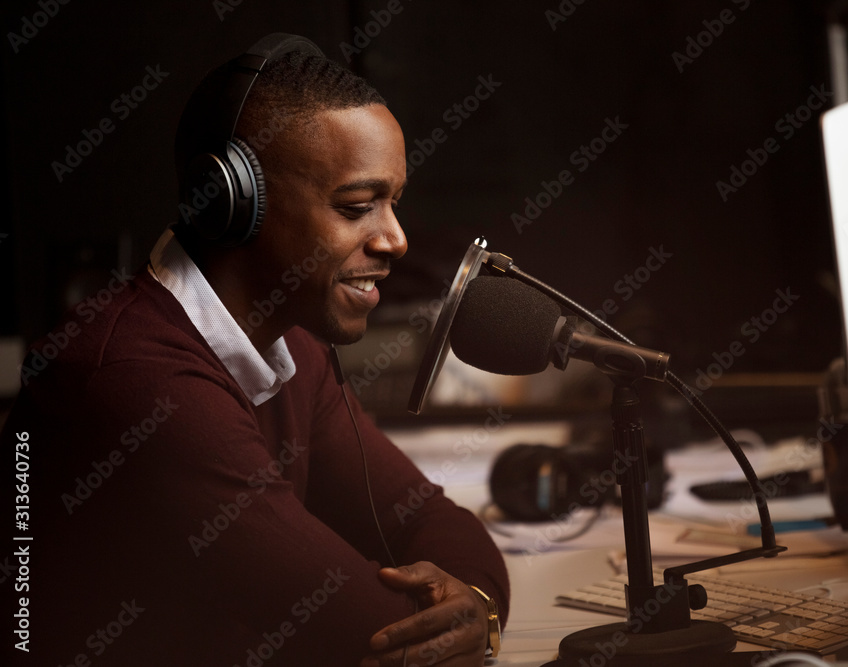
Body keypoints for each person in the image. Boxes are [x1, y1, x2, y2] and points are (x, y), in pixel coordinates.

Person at [3, 34, 508, 667]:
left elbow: (433, 522)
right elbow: (367, 628)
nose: (397, 240)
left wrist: (480, 602)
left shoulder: (292, 345)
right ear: (231, 204)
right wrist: (462, 614)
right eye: (357, 207)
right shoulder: (134, 384)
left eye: (394, 203)